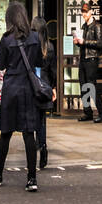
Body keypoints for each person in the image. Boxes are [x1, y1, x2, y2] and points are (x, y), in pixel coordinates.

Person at [0, 3, 42, 191]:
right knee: (29, 134)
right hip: (28, 88)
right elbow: (39, 62)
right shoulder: (35, 37)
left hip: (11, 88)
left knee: (6, 133)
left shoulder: (6, 39)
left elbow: (1, 65)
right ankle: (32, 179)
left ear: (10, 19)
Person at [75, 0, 102, 122]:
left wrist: (84, 42)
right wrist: (78, 43)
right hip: (83, 59)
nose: (84, 14)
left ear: (91, 12)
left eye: (86, 12)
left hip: (92, 59)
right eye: (82, 12)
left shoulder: (97, 26)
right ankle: (87, 112)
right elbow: (84, 44)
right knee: (83, 86)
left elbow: (99, 43)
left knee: (91, 86)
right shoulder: (84, 26)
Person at [31, 15, 56, 169]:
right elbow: (53, 71)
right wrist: (53, 88)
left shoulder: (30, 45)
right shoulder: (50, 46)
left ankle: (34, 147)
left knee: (32, 120)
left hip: (32, 86)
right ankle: (44, 146)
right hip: (45, 86)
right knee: (42, 121)